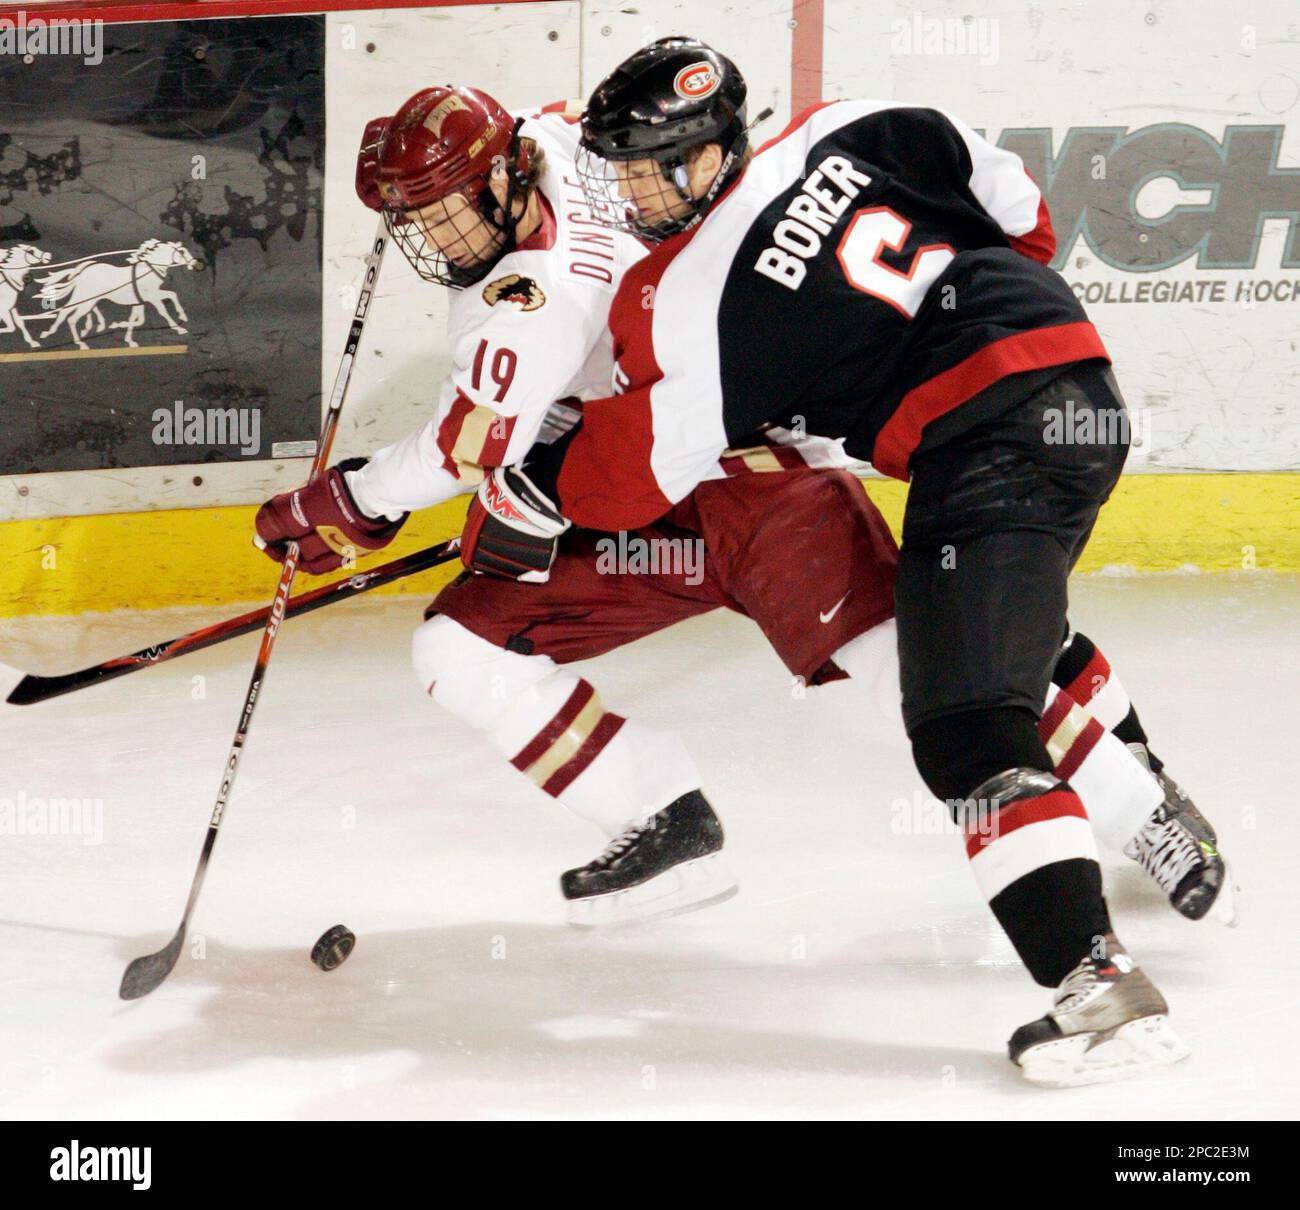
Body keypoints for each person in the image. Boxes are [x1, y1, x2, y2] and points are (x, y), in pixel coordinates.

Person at [455, 38, 1236, 1084]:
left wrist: (535, 480)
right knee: (1002, 636)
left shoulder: (690, 292)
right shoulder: (858, 121)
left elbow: (627, 479)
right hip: (1077, 386)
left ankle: (1102, 994)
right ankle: (1143, 796)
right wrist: (897, 353)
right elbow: (1019, 215)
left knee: (964, 723)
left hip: (988, 440)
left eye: (649, 167)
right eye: (620, 169)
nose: (632, 191)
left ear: (706, 155)